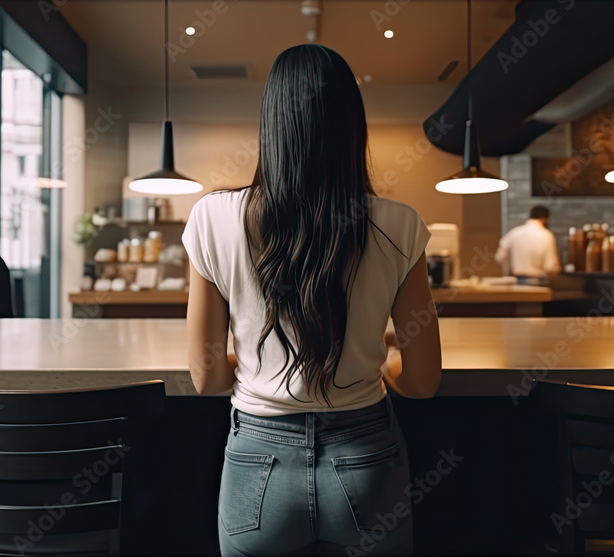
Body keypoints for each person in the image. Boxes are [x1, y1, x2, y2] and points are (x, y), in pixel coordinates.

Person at [182, 44, 442, 556]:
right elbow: (422, 379)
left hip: (258, 462)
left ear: (270, 125)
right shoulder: (399, 223)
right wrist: (375, 358)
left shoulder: (212, 218)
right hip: (366, 458)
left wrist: (261, 356)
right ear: (353, 127)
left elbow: (207, 377)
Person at [495, 205, 561, 281]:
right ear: (545, 219)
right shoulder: (546, 235)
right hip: (538, 281)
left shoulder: (514, 232)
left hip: (516, 280)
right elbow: (551, 266)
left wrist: (509, 268)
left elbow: (499, 257)